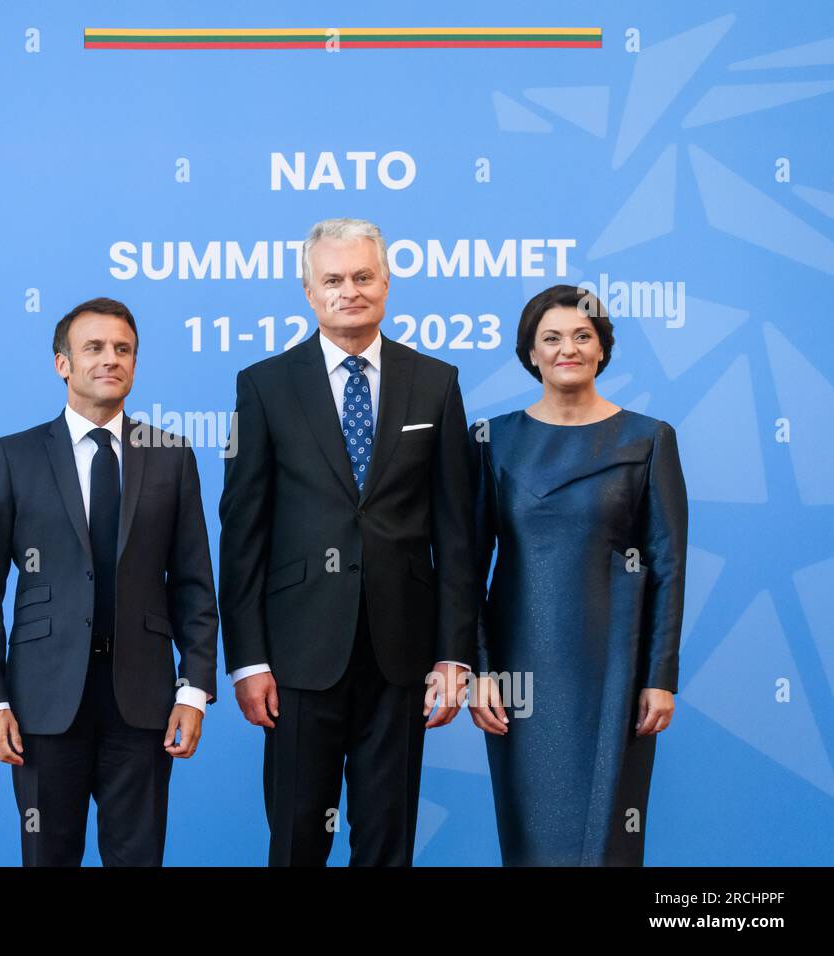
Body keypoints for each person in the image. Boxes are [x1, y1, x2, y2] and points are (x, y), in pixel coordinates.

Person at [218, 218, 478, 866]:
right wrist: (247, 659)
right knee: (298, 840)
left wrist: (454, 653)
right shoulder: (264, 386)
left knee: (387, 843)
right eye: (333, 279)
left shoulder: (436, 383)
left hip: (402, 656)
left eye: (363, 276)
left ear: (386, 282)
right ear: (309, 290)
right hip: (298, 657)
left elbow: (457, 530)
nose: (349, 291)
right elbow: (242, 531)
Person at [0, 296, 218, 866]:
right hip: (42, 703)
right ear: (63, 363)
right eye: (94, 348)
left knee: (138, 858)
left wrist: (194, 690)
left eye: (123, 349)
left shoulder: (171, 456)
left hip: (144, 701)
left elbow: (195, 585)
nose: (111, 359)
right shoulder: (13, 456)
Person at [467, 284, 688, 866]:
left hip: (616, 669)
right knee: (533, 842)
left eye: (582, 336)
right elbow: (465, 568)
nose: (568, 348)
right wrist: (480, 671)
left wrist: (660, 677)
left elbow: (667, 566)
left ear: (602, 349)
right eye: (552, 338)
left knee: (610, 843)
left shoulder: (649, 439)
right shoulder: (492, 440)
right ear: (531, 353)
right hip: (520, 677)